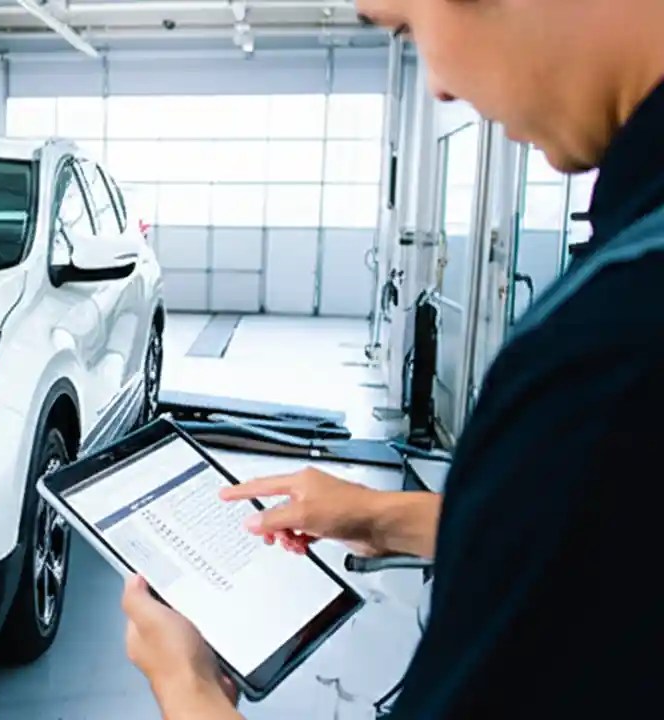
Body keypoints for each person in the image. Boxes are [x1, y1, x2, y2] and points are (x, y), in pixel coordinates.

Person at [121, 1, 664, 717]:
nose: (438, 85)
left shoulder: (606, 357)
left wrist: (186, 688)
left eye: (407, 25)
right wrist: (384, 519)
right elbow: (619, 553)